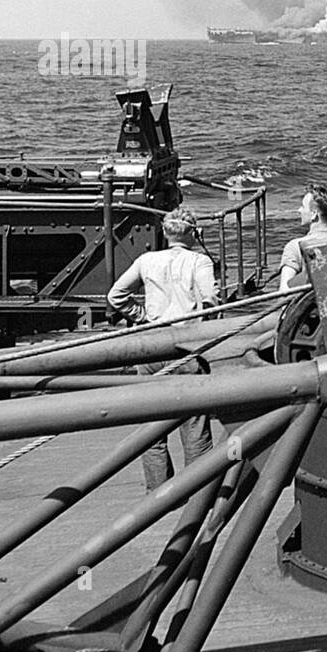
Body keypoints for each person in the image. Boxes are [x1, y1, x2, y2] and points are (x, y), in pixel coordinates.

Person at [107, 206, 218, 492]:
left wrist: (141, 315)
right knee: (194, 423)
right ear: (193, 233)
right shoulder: (200, 261)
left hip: (151, 347)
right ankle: (197, 487)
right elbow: (212, 301)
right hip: (186, 346)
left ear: (165, 233)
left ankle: (158, 491)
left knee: (152, 424)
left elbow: (116, 295)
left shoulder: (146, 260)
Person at [279, 182, 327, 290]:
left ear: (314, 214)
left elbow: (283, 293)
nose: (299, 210)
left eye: (303, 206)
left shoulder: (295, 246)